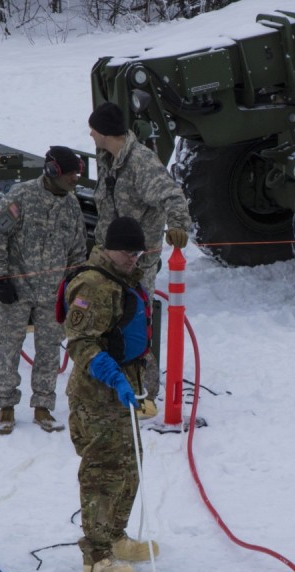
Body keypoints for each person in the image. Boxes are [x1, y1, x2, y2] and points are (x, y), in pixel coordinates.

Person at [62, 217, 162, 572]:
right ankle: (96, 554)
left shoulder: (125, 280)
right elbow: (81, 343)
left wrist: (139, 386)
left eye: (137, 253)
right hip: (96, 395)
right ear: (108, 248)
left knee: (130, 465)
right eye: (126, 252)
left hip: (126, 392)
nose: (133, 258)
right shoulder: (91, 285)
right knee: (102, 471)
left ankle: (116, 536)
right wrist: (113, 376)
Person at [88, 100, 192, 406]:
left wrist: (178, 226)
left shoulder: (140, 162)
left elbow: (171, 194)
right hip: (108, 260)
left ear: (106, 133)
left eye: (93, 131)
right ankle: (110, 383)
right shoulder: (110, 157)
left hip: (135, 265)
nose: (90, 136)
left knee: (133, 327)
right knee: (104, 323)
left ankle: (143, 393)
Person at [0, 146, 88, 435]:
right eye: (70, 175)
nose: (74, 180)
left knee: (50, 350)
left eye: (77, 174)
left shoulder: (71, 205)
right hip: (16, 288)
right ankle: (5, 407)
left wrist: (73, 286)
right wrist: (1, 278)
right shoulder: (21, 197)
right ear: (53, 171)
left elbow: (78, 252)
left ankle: (43, 406)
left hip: (53, 293)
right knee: (8, 348)